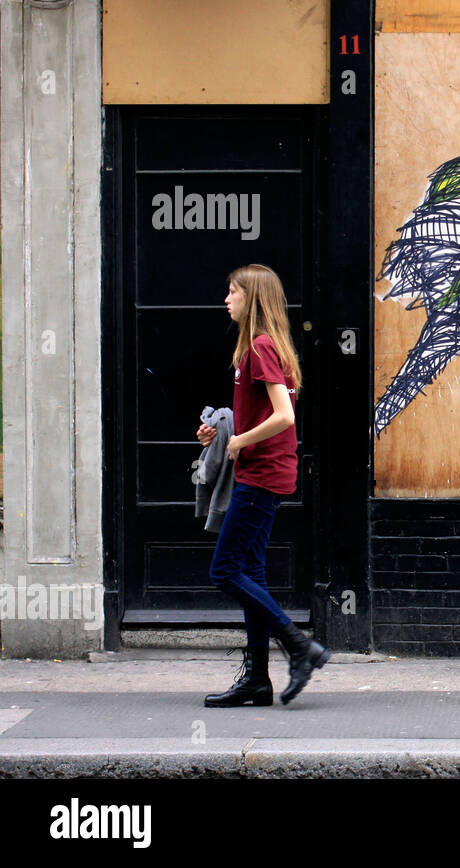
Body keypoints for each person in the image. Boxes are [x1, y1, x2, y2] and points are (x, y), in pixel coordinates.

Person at [197, 264, 330, 706]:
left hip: (261, 476)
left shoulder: (260, 347)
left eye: (232, 292)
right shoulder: (262, 348)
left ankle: (298, 646)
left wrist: (239, 441)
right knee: (250, 571)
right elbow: (263, 413)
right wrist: (224, 431)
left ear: (251, 299)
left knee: (225, 570)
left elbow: (284, 417)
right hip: (263, 470)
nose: (226, 300)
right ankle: (257, 679)